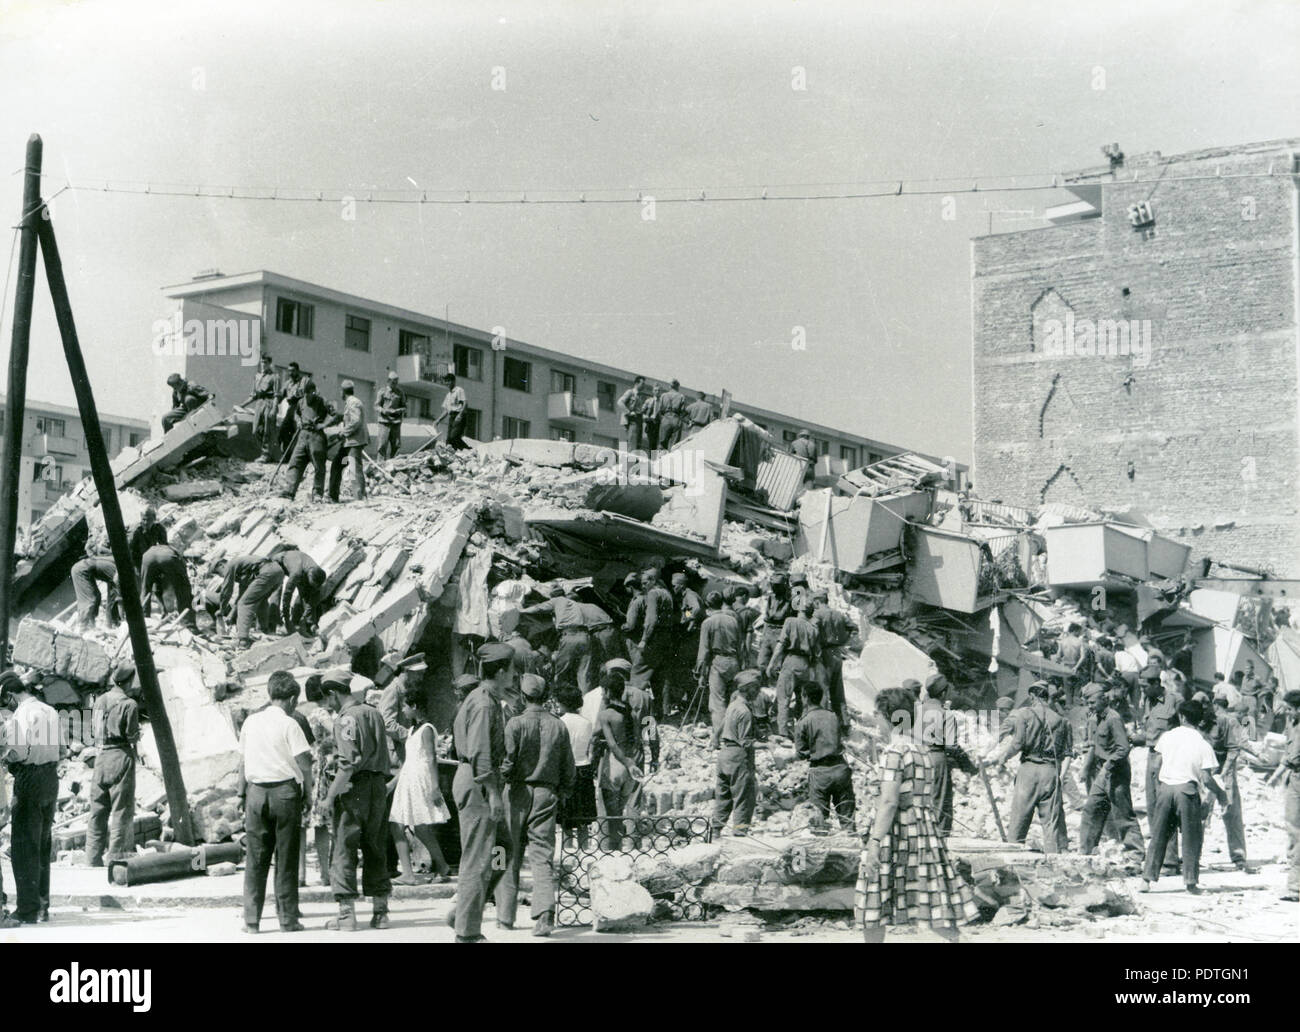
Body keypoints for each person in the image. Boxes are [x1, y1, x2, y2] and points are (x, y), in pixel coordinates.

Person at [857, 687, 978, 943]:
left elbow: (889, 801)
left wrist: (874, 843)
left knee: (873, 900)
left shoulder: (893, 752)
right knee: (931, 901)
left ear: (889, 716)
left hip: (895, 831)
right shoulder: (921, 750)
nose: (875, 719)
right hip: (922, 831)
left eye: (877, 713)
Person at [449, 643, 515, 941]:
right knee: (479, 857)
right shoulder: (485, 703)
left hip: (478, 780)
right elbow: (480, 752)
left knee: (502, 849)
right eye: (511, 670)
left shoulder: (484, 698)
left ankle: (464, 908)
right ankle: (467, 933)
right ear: (501, 672)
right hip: (479, 783)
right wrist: (493, 793)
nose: (514, 675)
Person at [501, 674, 576, 937]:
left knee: (507, 853)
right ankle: (545, 914)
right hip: (547, 793)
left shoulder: (514, 724)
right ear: (546, 697)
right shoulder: (559, 725)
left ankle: (504, 915)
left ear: (523, 696)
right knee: (542, 856)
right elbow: (569, 767)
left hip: (516, 792)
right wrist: (563, 792)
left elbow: (507, 763)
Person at [237, 670, 312, 933]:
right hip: (284, 793)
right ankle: (288, 920)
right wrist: (309, 793)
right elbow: (305, 762)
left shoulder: (250, 722)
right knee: (286, 857)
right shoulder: (290, 724)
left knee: (256, 858)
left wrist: (240, 793)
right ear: (292, 699)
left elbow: (242, 761)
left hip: (256, 793)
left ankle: (251, 921)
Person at [319, 670, 391, 931]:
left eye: (328, 699)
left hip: (354, 790)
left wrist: (329, 797)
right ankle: (380, 913)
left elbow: (348, 764)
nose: (328, 705)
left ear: (333, 693)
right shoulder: (374, 713)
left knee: (344, 849)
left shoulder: (345, 719)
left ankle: (346, 915)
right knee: (376, 847)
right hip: (378, 788)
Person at [1142, 701, 1228, 894]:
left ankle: (1146, 880)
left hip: (1165, 789)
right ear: (1199, 720)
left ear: (1182, 717)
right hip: (1186, 791)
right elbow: (1206, 778)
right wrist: (1221, 795)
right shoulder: (1202, 744)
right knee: (1191, 838)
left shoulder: (1167, 736)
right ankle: (1190, 883)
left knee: (1158, 836)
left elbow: (1155, 765)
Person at [0, 669, 61, 926]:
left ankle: (26, 909)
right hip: (51, 778)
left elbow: (18, 752)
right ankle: (42, 906)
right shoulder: (50, 711)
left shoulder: (21, 715)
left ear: (11, 695)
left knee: (25, 846)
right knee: (43, 844)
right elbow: (62, 749)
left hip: (29, 779)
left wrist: (5, 758)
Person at [984, 680, 1065, 852]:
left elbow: (1017, 743)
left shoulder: (1024, 715)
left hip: (1029, 770)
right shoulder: (1061, 720)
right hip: (1051, 772)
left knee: (1019, 820)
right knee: (1051, 824)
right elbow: (1064, 753)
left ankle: (1013, 860)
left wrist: (1000, 759)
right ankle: (1054, 863)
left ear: (1032, 695)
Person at [388, 683, 452, 885]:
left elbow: (431, 758)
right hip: (408, 778)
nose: (404, 710)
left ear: (414, 706)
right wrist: (392, 783)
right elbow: (409, 760)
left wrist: (434, 787)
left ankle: (410, 873)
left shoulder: (426, 729)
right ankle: (442, 867)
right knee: (415, 827)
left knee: (403, 825)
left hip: (420, 779)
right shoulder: (412, 730)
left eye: (406, 706)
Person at [1078, 681, 1146, 857]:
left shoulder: (1113, 718)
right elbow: (1095, 746)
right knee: (1091, 810)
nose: (1090, 706)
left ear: (1103, 699)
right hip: (1103, 771)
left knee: (1122, 814)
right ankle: (1085, 853)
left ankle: (1136, 854)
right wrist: (1087, 768)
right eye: (1088, 703)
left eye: (1092, 702)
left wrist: (1108, 765)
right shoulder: (1096, 719)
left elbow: (1123, 748)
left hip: (1116, 771)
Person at [85, 662, 140, 867]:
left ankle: (92, 858)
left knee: (98, 809)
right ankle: (116, 857)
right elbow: (132, 735)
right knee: (121, 809)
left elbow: (93, 730)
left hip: (102, 756)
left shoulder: (99, 701)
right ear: (128, 681)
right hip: (120, 755)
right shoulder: (129, 704)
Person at [1205, 693, 1266, 873]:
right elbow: (1241, 744)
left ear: (1215, 704)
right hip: (1217, 771)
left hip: (1217, 771)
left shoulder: (1223, 721)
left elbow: (1236, 747)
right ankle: (1236, 856)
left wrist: (1223, 772)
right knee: (1224, 812)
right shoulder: (1217, 721)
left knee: (1220, 811)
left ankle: (1236, 856)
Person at [1135, 675, 1183, 873]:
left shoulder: (1175, 700)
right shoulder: (1147, 701)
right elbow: (1149, 731)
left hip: (1169, 758)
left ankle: (1171, 862)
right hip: (1152, 755)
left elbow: (1187, 730)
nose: (1142, 690)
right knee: (1153, 807)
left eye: (1145, 686)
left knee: (1167, 808)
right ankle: (1159, 858)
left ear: (1156, 683)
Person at [593, 667, 643, 849]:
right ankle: (625, 847)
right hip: (631, 764)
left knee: (609, 812)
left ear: (607, 691)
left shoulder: (606, 715)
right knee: (623, 809)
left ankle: (609, 849)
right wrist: (631, 762)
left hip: (615, 763)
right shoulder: (633, 713)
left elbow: (612, 744)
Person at [794, 681, 855, 828]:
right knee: (847, 815)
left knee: (819, 817)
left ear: (805, 698)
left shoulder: (804, 722)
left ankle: (821, 843)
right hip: (841, 768)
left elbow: (801, 752)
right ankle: (853, 842)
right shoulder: (833, 716)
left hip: (820, 771)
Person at [712, 669, 761, 837]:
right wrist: (768, 745)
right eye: (756, 688)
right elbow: (746, 741)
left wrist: (715, 738)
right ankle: (740, 834)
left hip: (724, 755)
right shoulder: (745, 712)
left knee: (723, 796)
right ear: (749, 688)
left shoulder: (733, 705)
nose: (759, 691)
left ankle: (715, 831)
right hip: (738, 757)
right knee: (744, 798)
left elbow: (722, 726)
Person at [521, 584, 592, 694]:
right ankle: (586, 702)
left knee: (561, 671)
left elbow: (538, 608)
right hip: (585, 636)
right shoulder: (573, 603)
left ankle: (558, 700)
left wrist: (521, 611)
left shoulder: (557, 600)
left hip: (569, 636)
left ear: (553, 596)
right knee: (583, 673)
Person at [918, 673, 963, 837]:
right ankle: (939, 840)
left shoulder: (915, 711)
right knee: (940, 802)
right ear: (943, 693)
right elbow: (951, 746)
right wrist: (965, 763)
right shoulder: (946, 715)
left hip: (916, 757)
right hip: (937, 758)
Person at [768, 599, 820, 737]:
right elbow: (816, 654)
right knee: (802, 700)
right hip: (805, 665)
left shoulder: (790, 621)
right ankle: (802, 731)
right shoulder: (813, 628)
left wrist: (771, 664)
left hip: (792, 660)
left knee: (783, 698)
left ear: (799, 609)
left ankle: (783, 732)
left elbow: (781, 645)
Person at [627, 568, 675, 719]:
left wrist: (644, 640)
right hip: (666, 638)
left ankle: (633, 715)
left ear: (653, 581)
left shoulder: (653, 594)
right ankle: (661, 712)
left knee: (637, 673)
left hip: (654, 639)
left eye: (645, 582)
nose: (643, 586)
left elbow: (651, 620)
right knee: (659, 677)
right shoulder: (667, 593)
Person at [302, 675, 336, 887]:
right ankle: (325, 871)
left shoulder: (310, 712)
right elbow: (336, 732)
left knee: (317, 823)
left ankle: (314, 873)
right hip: (322, 769)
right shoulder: (321, 713)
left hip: (314, 767)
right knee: (322, 824)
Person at [696, 591, 741, 749]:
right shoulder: (733, 620)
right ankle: (734, 732)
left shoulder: (707, 622)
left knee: (717, 702)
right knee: (733, 700)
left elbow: (704, 650)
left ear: (708, 606)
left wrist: (700, 673)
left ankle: (720, 737)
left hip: (718, 661)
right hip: (734, 661)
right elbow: (740, 646)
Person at [279, 379, 334, 501]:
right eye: (305, 393)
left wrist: (323, 425)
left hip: (316, 436)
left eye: (309, 393)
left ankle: (318, 494)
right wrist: (298, 421)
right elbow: (296, 414)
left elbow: (334, 415)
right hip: (302, 435)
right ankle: (289, 491)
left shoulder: (322, 401)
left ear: (314, 392)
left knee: (319, 466)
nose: (307, 396)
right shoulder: (300, 402)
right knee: (295, 462)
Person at [557, 685, 596, 849]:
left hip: (566, 768)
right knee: (583, 819)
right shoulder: (587, 723)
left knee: (566, 818)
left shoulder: (560, 722)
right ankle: (584, 851)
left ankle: (567, 853)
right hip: (584, 767)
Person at [811, 591, 852, 730]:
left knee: (823, 688)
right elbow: (853, 627)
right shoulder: (839, 614)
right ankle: (844, 722)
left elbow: (813, 632)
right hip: (837, 653)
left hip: (825, 653)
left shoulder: (818, 614)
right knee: (838, 690)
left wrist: (815, 648)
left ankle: (824, 725)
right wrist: (844, 640)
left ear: (817, 601)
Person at [327, 380, 368, 502]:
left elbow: (355, 421)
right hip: (349, 442)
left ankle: (360, 499)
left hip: (354, 443)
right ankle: (333, 497)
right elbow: (349, 419)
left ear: (343, 392)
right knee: (337, 464)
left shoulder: (353, 403)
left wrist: (342, 433)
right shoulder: (350, 403)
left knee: (354, 468)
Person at [139, 543, 195, 627]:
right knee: (183, 588)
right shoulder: (177, 554)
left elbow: (157, 587)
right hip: (167, 557)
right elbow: (184, 581)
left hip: (147, 557)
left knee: (145, 588)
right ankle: (186, 620)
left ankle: (143, 618)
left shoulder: (156, 548)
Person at [1280, 689, 1300, 903]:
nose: (1287, 713)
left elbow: (1292, 757)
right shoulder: (1293, 724)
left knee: (1296, 832)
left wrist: (1275, 775)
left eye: (1289, 709)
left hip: (1298, 779)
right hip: (1295, 778)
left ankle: (1296, 887)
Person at [755, 574, 793, 686]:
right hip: (769, 630)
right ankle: (762, 686)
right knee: (761, 662)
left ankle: (775, 688)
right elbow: (767, 617)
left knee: (777, 664)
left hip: (781, 630)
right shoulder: (771, 597)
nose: (774, 588)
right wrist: (763, 635)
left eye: (777, 586)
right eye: (773, 585)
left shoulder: (791, 599)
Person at [278, 550, 326, 636]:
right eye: (312, 584)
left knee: (308, 596)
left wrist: (306, 618)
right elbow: (287, 595)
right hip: (280, 562)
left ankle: (304, 625)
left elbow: (311, 604)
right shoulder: (296, 573)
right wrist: (286, 617)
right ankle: (275, 624)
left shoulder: (317, 574)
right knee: (276, 590)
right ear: (310, 576)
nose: (313, 587)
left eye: (314, 585)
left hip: (301, 566)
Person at [70, 552, 119, 630]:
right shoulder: (117, 570)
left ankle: (91, 625)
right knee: (90, 600)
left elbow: (112, 598)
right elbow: (117, 598)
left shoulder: (114, 562)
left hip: (83, 567)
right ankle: (82, 627)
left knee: (97, 596)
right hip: (81, 570)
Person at [251, 355, 280, 461]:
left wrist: (274, 408)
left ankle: (266, 454)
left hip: (269, 402)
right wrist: (241, 406)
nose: (263, 364)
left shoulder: (274, 377)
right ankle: (265, 452)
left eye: (266, 362)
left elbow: (277, 395)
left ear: (269, 363)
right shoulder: (257, 376)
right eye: (262, 362)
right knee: (255, 430)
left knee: (268, 429)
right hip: (259, 402)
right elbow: (253, 395)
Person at [277, 361, 306, 454]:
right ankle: (287, 453)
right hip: (292, 408)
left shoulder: (303, 381)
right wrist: (274, 403)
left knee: (298, 432)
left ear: (298, 371)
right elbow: (281, 395)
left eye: (293, 371)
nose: (290, 373)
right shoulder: (288, 383)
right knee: (283, 430)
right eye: (289, 371)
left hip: (301, 408)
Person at [128, 506, 168, 575]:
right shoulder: (136, 531)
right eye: (143, 519)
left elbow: (164, 547)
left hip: (151, 560)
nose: (146, 522)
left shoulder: (159, 529)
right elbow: (129, 552)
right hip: (137, 563)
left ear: (154, 518)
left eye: (149, 519)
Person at [376, 370, 406, 459]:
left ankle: (394, 465)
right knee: (382, 445)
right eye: (393, 382)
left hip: (396, 423)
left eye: (396, 382)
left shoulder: (400, 393)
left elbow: (404, 407)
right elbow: (376, 405)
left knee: (396, 446)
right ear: (388, 381)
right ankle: (380, 465)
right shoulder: (382, 391)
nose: (394, 384)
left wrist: (398, 410)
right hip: (384, 422)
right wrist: (383, 410)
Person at [438, 373, 469, 449]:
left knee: (454, 437)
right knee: (449, 441)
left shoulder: (459, 390)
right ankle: (454, 454)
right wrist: (438, 420)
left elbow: (465, 403)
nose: (447, 383)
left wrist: (460, 415)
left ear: (453, 381)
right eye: (445, 381)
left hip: (459, 415)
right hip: (451, 417)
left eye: (448, 381)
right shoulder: (448, 395)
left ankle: (468, 450)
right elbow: (446, 410)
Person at [655, 379, 688, 451]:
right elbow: (683, 411)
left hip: (666, 418)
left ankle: (659, 459)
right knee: (674, 445)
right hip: (676, 419)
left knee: (662, 443)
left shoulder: (663, 395)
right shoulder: (681, 396)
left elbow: (660, 409)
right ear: (678, 387)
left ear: (670, 386)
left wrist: (663, 418)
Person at [617, 376, 646, 452]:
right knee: (632, 442)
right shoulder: (630, 392)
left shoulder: (640, 395)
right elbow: (620, 402)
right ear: (636, 383)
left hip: (639, 420)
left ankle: (634, 462)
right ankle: (629, 462)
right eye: (642, 383)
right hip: (632, 420)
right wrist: (629, 412)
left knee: (637, 443)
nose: (644, 386)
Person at [643, 384, 663, 452]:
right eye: (655, 390)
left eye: (659, 390)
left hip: (659, 424)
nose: (657, 392)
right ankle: (650, 459)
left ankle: (654, 460)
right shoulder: (648, 401)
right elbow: (642, 411)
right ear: (653, 391)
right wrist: (646, 416)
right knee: (650, 442)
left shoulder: (662, 402)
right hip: (650, 423)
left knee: (658, 443)